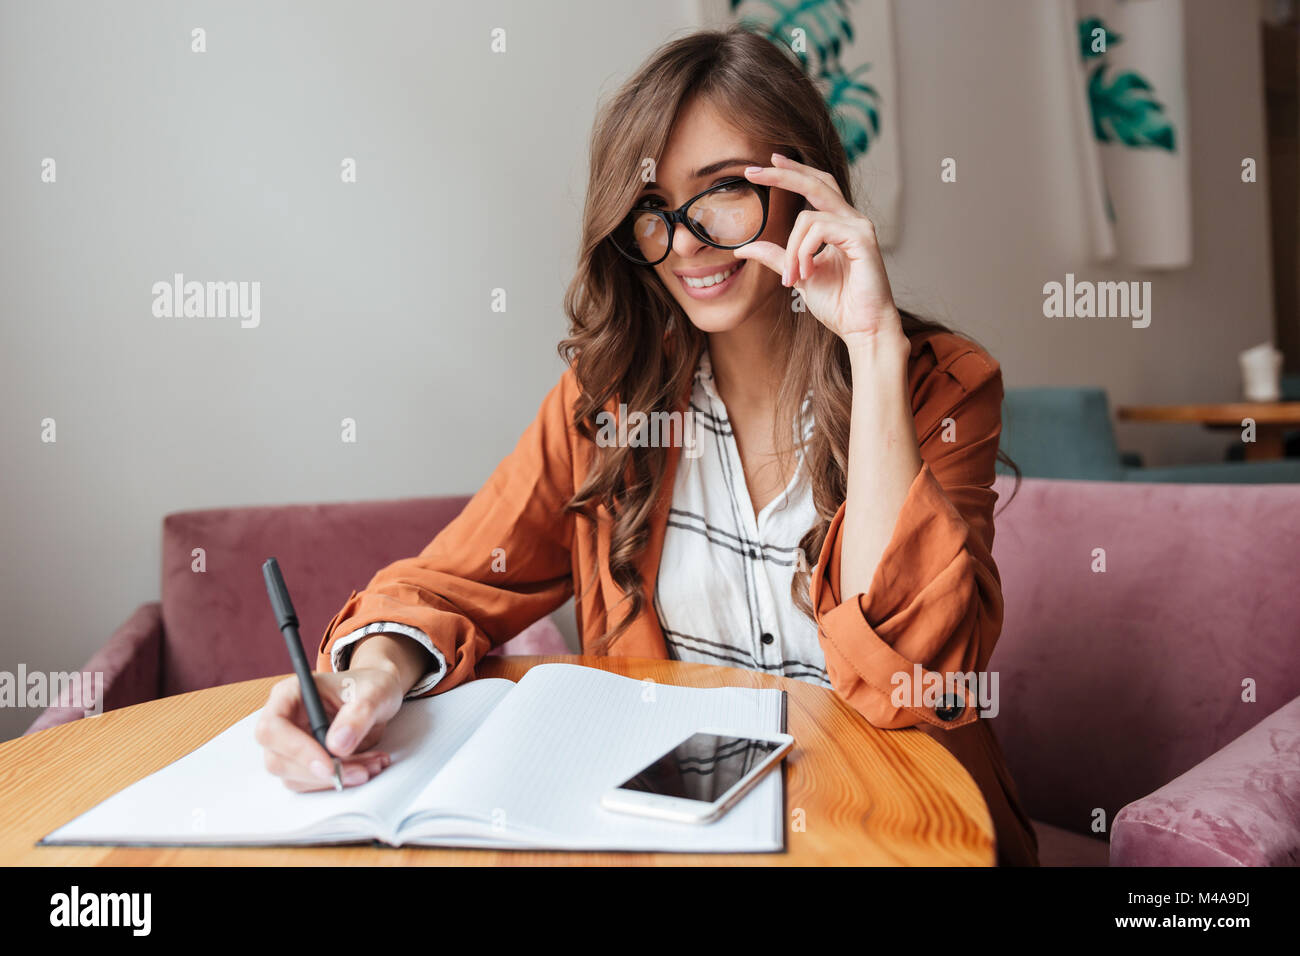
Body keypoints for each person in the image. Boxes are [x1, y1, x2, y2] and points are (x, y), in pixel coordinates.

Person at [254, 25, 1039, 866]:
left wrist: (872, 346)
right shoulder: (609, 404)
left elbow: (913, 675)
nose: (687, 241)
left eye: (723, 191)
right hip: (676, 833)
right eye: (653, 210)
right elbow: (450, 580)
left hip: (894, 830)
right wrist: (371, 674)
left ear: (808, 186)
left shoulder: (940, 384)